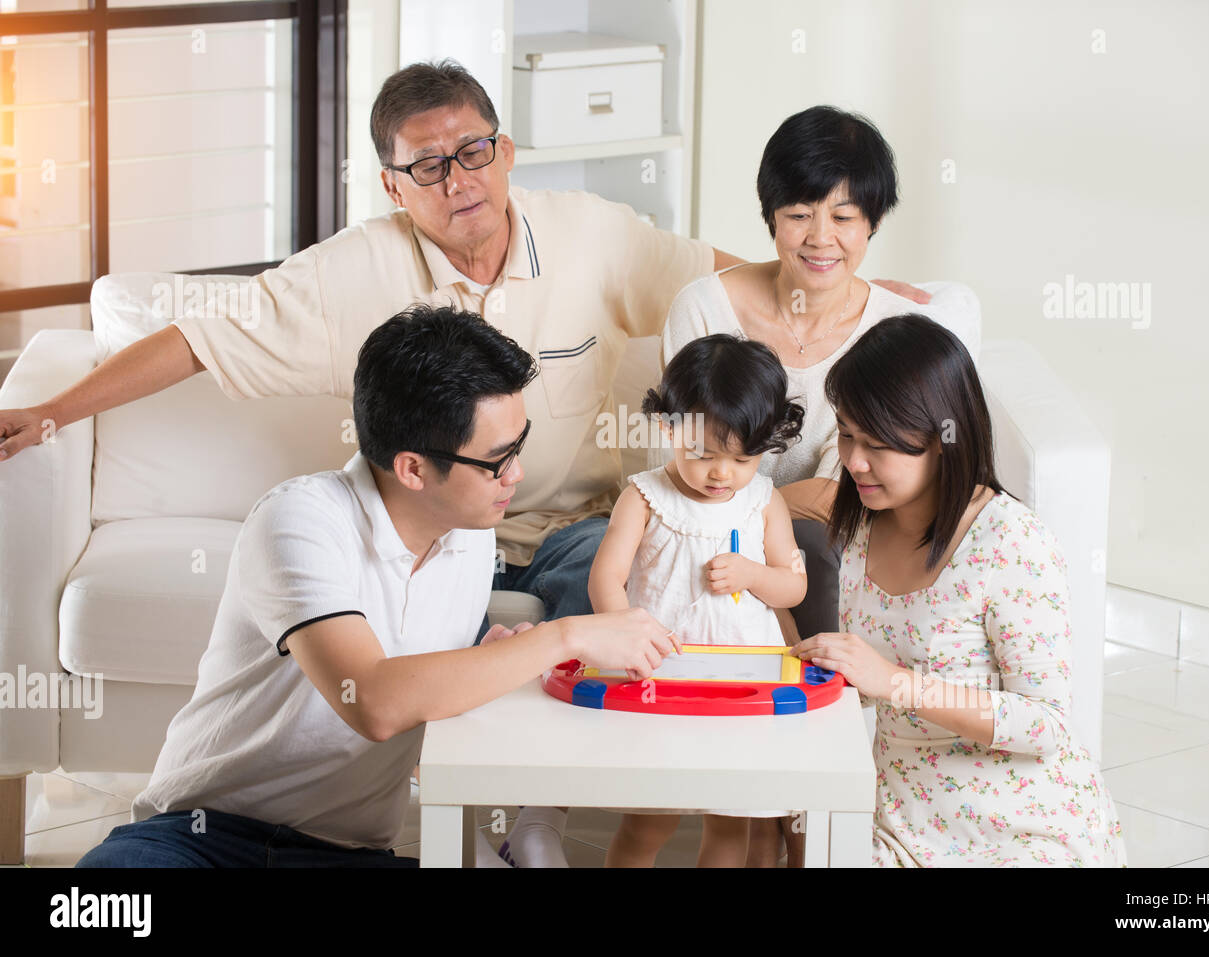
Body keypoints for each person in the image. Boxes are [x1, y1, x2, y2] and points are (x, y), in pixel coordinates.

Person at [0, 61, 926, 866]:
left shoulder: (595, 235)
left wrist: (847, 283)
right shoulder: (342, 346)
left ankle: (542, 818)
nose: (460, 180)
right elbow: (207, 333)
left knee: (617, 582)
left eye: (475, 151)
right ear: (393, 185)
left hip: (568, 529)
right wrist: (49, 410)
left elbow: (716, 280)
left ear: (507, 150)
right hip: (434, 551)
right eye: (428, 166)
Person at [75, 304, 680, 868]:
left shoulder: (468, 536)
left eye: (519, 448)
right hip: (200, 839)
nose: (516, 475)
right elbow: (373, 700)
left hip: (350, 853)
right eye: (498, 460)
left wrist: (487, 666)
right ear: (413, 468)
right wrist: (563, 636)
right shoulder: (299, 520)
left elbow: (422, 696)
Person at [661, 104, 965, 865]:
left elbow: (855, 495)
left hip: (833, 544)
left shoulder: (896, 327)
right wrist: (762, 500)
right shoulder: (705, 307)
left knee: (820, 548)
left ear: (874, 224)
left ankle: (790, 810)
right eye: (798, 213)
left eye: (845, 216)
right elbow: (698, 469)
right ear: (769, 216)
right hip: (713, 533)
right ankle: (765, 810)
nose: (820, 238)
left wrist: (761, 496)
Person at [791, 314, 1127, 866]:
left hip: (1019, 824)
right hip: (905, 817)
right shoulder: (861, 527)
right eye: (847, 434)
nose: (853, 461)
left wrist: (898, 684)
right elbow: (868, 683)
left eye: (877, 444)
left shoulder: (1011, 541)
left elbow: (1045, 723)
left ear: (943, 440)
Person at [588, 334, 807, 867]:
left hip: (743, 680)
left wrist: (753, 573)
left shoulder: (763, 500)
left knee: (730, 823)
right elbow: (604, 581)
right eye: (702, 454)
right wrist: (629, 635)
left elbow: (793, 585)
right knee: (648, 820)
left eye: (742, 457)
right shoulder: (643, 497)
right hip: (663, 678)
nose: (720, 474)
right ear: (668, 428)